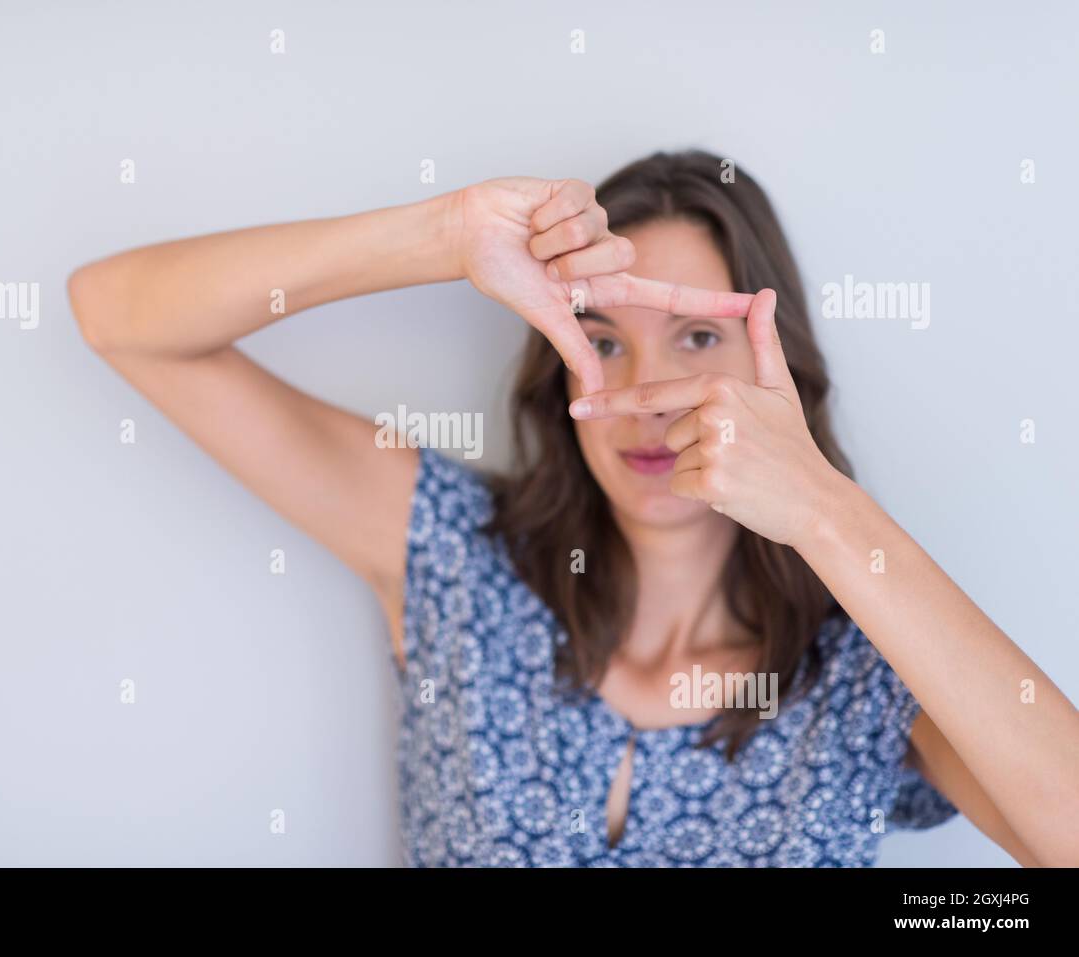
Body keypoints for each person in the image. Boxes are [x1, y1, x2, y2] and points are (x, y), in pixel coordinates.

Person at [67, 149, 1078, 867]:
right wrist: (439, 232)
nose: (643, 389)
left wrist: (818, 503)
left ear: (780, 367)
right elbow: (119, 318)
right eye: (601, 339)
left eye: (694, 338)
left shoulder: (869, 673)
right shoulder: (456, 556)